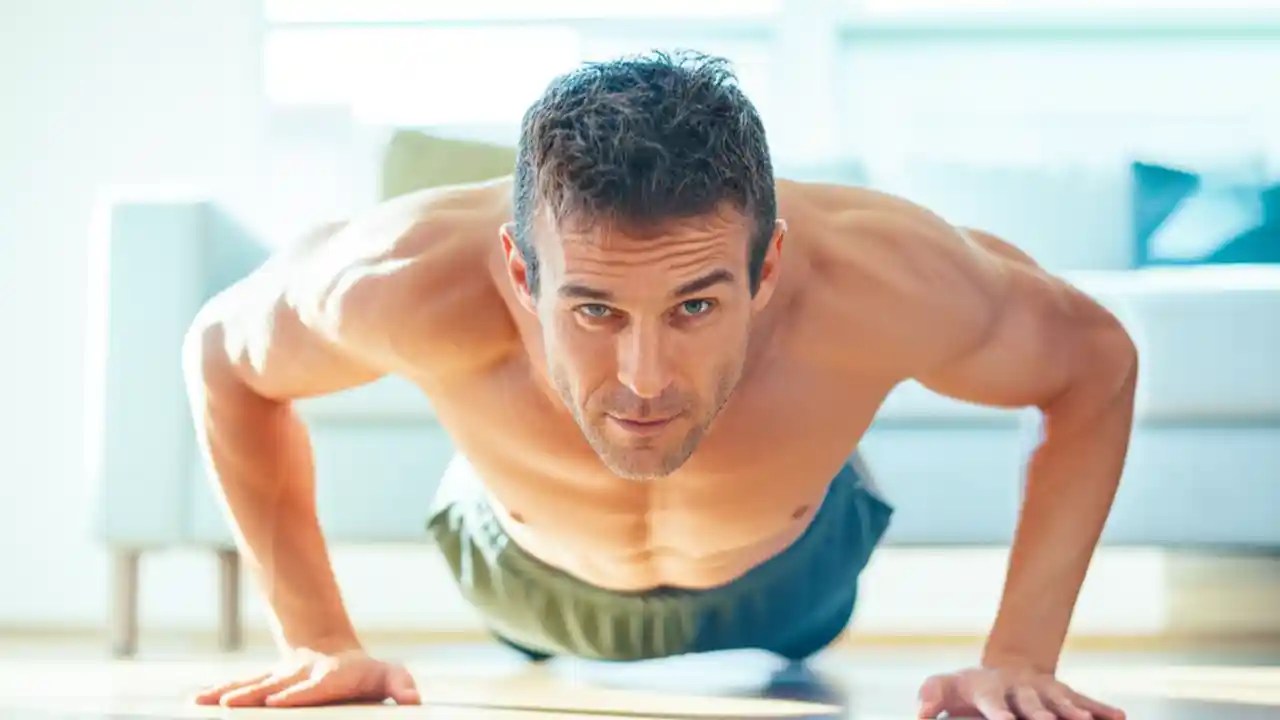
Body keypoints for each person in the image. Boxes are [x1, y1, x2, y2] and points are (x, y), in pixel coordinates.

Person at [185, 51, 1133, 720]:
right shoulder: (405, 275)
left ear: (767, 270)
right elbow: (223, 352)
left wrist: (1019, 657)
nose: (642, 379)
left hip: (793, 584)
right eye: (595, 310)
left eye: (694, 307)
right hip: (520, 580)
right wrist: (314, 636)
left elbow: (1094, 363)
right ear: (522, 273)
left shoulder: (885, 275)